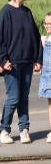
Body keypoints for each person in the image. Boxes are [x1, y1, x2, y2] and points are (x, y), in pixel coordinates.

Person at [0, 0, 43, 144]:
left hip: (28, 62)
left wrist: (38, 59)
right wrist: (2, 60)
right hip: (12, 64)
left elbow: (35, 37)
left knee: (24, 98)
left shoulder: (27, 12)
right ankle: (4, 130)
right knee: (13, 98)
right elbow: (0, 39)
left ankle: (24, 129)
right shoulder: (5, 13)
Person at [39, 11, 51, 142]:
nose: (47, 26)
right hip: (48, 77)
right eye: (45, 23)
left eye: (50, 24)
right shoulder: (44, 40)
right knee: (50, 104)